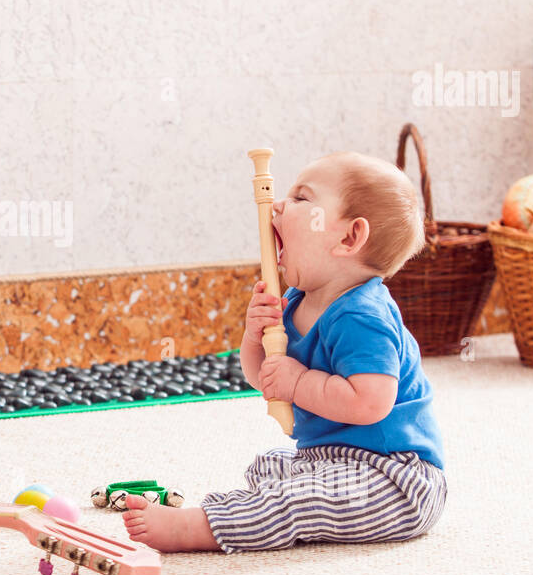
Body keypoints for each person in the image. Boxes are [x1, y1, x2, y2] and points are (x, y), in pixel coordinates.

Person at [122, 151, 447, 553]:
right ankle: (245, 512)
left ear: (349, 237)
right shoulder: (293, 300)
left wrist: (300, 381)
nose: (278, 205)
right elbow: (266, 380)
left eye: (301, 198)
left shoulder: (363, 315)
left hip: (394, 478)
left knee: (295, 500)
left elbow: (370, 404)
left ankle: (198, 527)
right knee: (268, 465)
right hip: (330, 458)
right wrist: (254, 337)